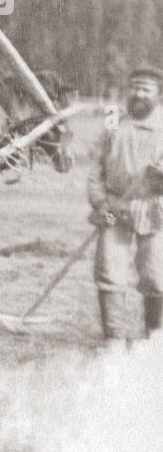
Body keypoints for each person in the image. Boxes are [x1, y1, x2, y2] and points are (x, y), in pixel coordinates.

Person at [88, 64, 163, 346]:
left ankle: (155, 340)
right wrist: (99, 202)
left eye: (146, 89)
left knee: (156, 275)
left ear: (158, 94)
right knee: (109, 270)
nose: (138, 94)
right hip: (113, 207)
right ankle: (114, 340)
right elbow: (96, 168)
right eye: (134, 88)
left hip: (154, 209)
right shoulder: (113, 122)